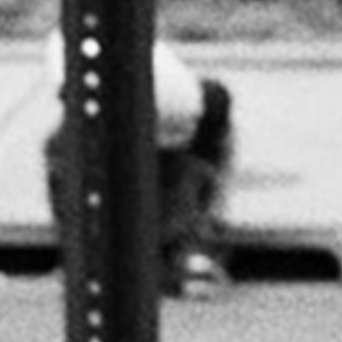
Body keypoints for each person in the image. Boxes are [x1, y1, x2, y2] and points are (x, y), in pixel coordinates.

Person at [42, 35, 235, 296]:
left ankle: (86, 259)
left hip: (139, 112)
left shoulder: (65, 39)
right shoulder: (128, 24)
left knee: (60, 146)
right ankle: (196, 257)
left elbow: (75, 100)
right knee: (196, 145)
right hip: (182, 106)